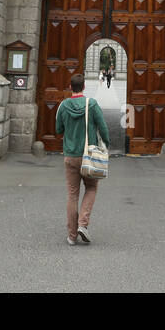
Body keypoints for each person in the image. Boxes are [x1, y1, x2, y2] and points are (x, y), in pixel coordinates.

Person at [54, 73, 110, 246]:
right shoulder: (91, 104)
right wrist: (106, 145)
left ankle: (71, 235)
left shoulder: (63, 105)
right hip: (89, 155)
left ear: (70, 87)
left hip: (70, 155)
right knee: (91, 188)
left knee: (72, 194)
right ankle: (82, 225)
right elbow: (103, 127)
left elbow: (58, 129)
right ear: (84, 87)